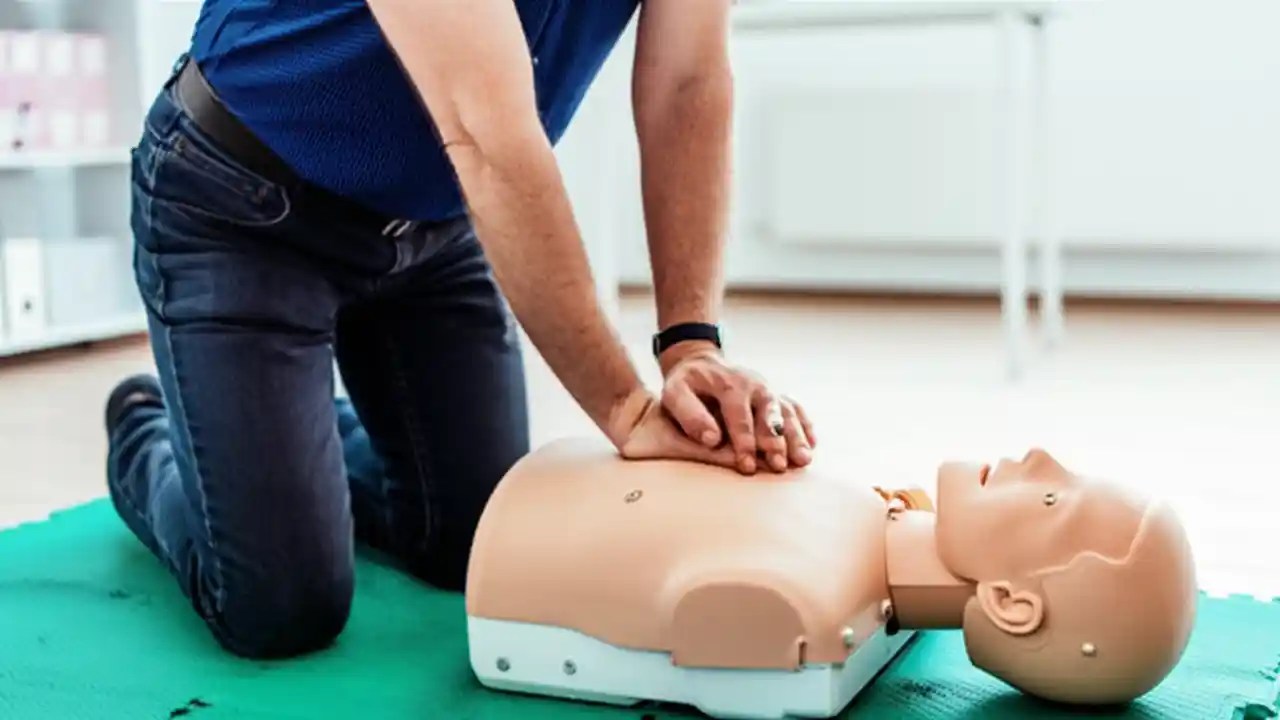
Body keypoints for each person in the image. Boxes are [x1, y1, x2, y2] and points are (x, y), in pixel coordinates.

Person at [103, 0, 816, 660]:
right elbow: (486, 133)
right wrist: (626, 408)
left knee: (473, 544)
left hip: (431, 230)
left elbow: (687, 83)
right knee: (282, 607)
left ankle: (284, 434)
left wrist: (690, 343)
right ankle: (152, 427)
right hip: (240, 211)